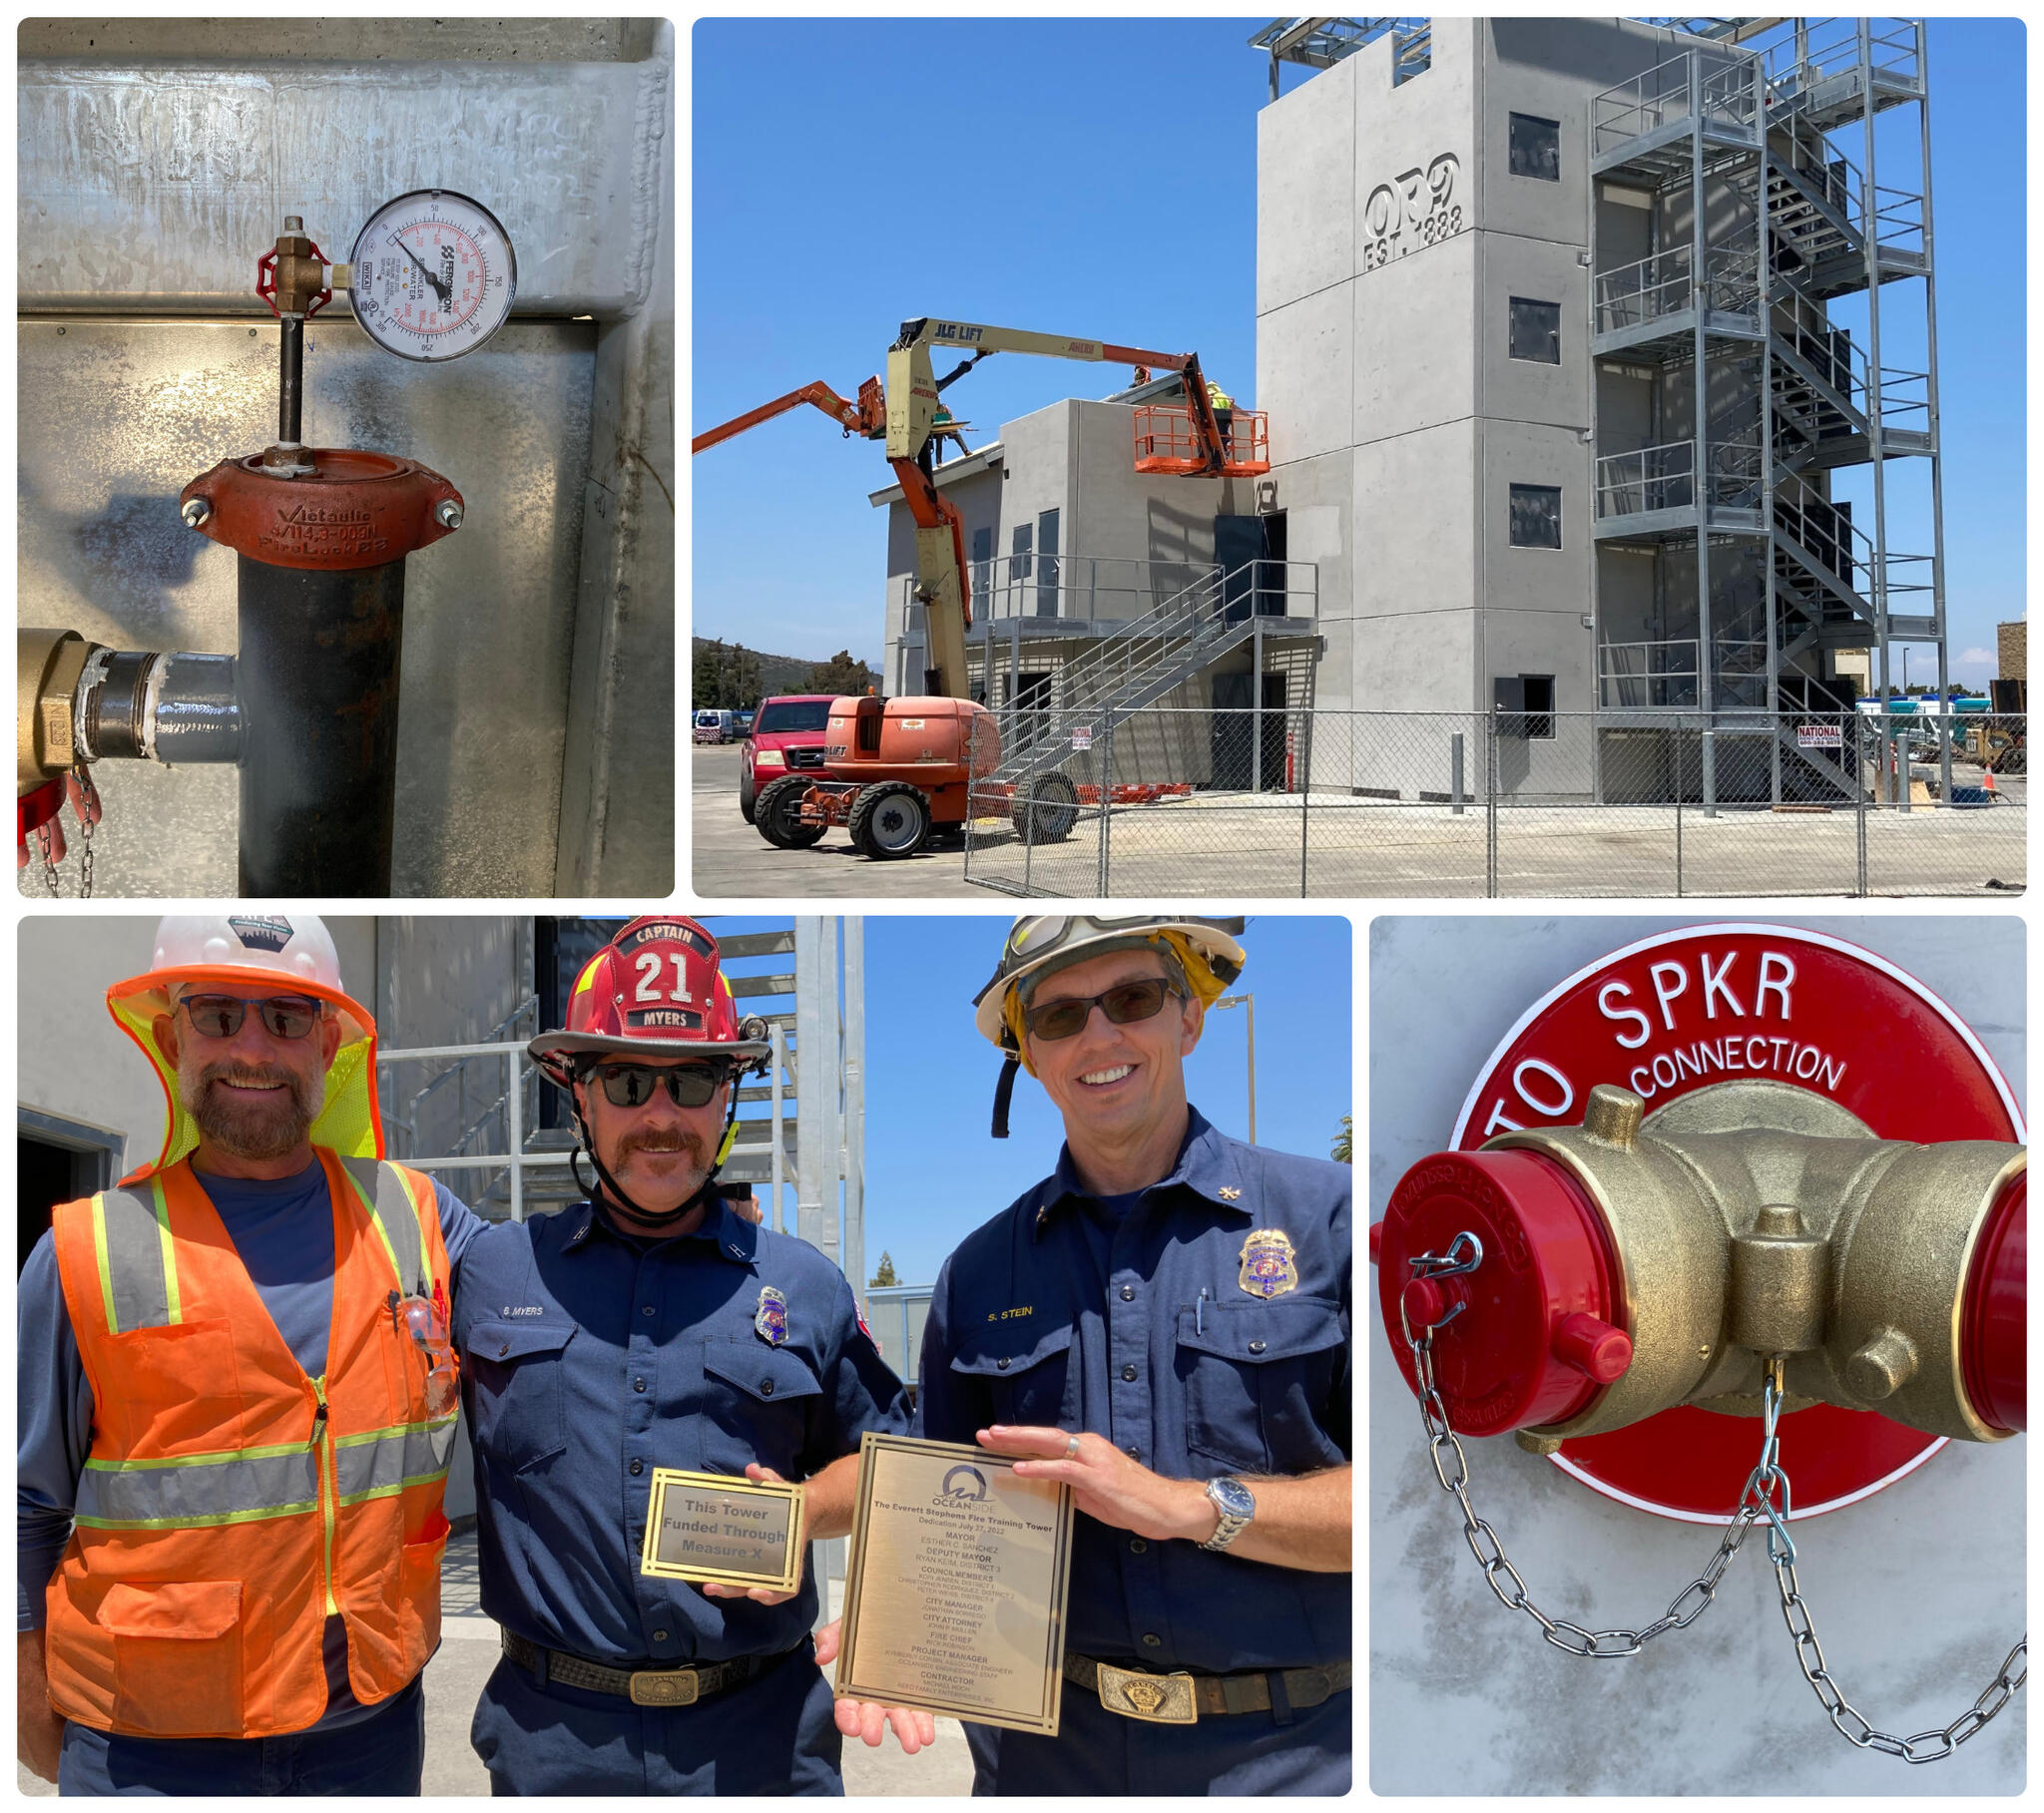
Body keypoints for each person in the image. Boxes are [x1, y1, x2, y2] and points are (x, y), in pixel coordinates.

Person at [869, 916, 1351, 1795]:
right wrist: (887, 1627)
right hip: (1050, 1763)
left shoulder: (1327, 1221)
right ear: (1031, 1055)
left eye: (1132, 999)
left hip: (1294, 1763)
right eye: (1058, 1018)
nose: (1099, 1036)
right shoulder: (978, 1274)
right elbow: (945, 1517)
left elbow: (1413, 1510)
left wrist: (1183, 1506)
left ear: (1189, 1019)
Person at [455, 915, 929, 1794]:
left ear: (728, 1098)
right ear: (581, 1095)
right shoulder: (489, 1271)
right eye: (630, 1081)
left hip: (760, 1744)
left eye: (694, 1082)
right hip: (554, 1746)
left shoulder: (807, 1286)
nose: (662, 1116)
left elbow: (890, 1464)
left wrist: (804, 1510)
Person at [17, 915, 488, 1795]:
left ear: (330, 1042)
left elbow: (561, 1314)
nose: (253, 1048)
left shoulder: (419, 1219)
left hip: (369, 1732)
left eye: (287, 1017)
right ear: (170, 1035)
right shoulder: (86, 1252)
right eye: (218, 1014)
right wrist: (27, 1694)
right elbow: (23, 1501)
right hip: (148, 1747)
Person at [1206, 379, 1235, 460]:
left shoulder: (1212, 397)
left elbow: (1212, 408)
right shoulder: (1223, 395)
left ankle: (1211, 456)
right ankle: (1222, 455)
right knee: (1224, 438)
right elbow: (1229, 407)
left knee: (1211, 438)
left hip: (1214, 419)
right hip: (1223, 419)